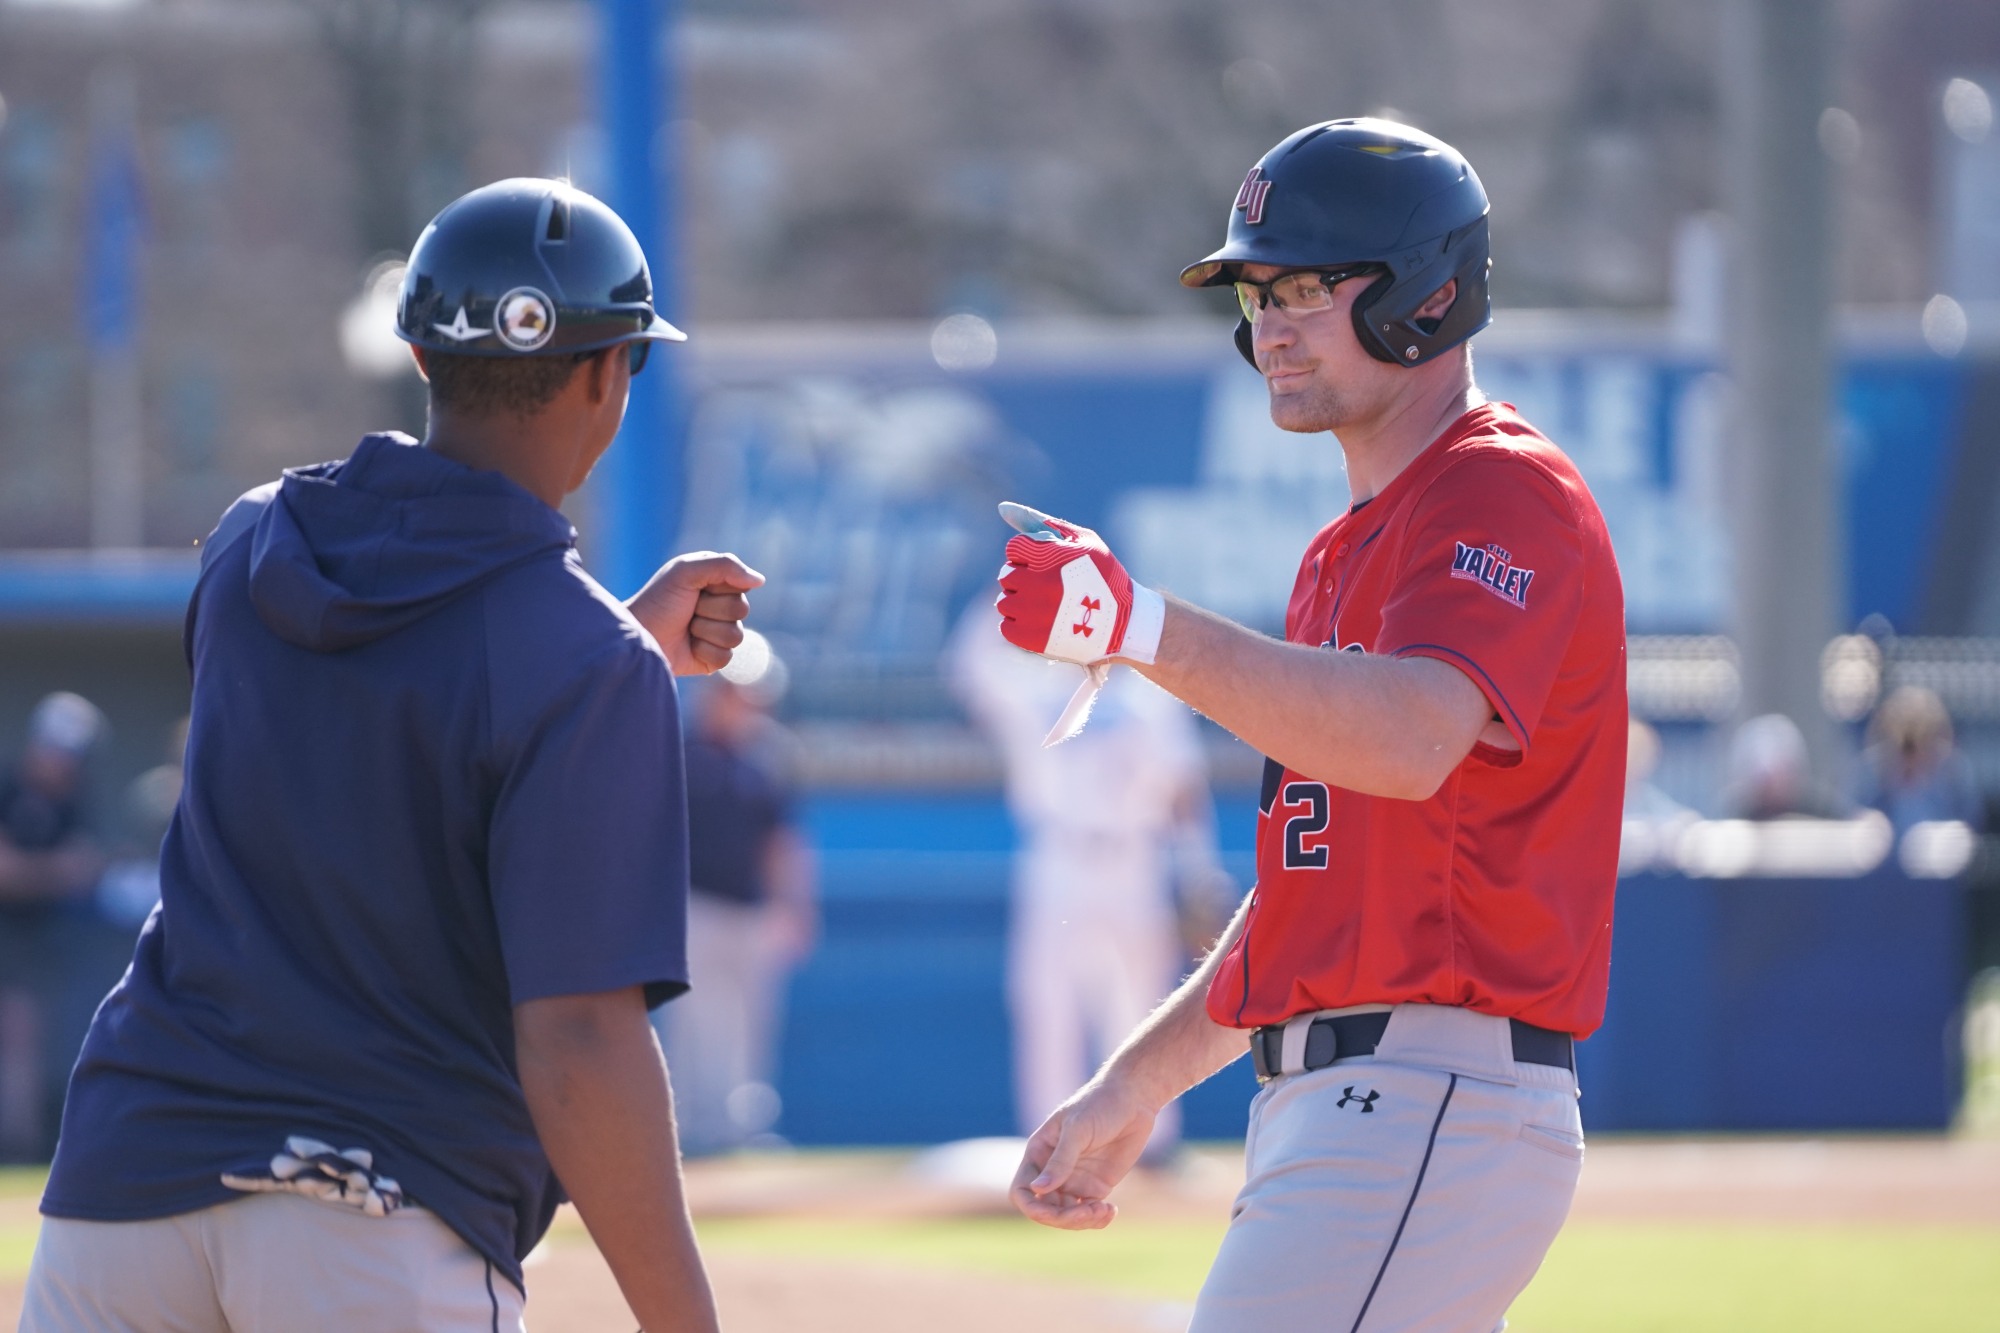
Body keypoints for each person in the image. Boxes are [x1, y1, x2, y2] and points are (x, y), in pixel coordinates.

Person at [23, 179, 760, 1333]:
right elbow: (577, 1039)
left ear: (420, 354)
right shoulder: (577, 661)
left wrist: (611, 652)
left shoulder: (250, 540)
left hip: (121, 1193)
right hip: (367, 1213)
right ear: (609, 375)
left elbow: (370, 713)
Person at [991, 119, 1627, 1331]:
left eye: (1305, 286)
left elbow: (1409, 736)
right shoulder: (1344, 550)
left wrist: (1144, 627)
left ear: (1424, 297)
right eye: (1255, 291)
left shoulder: (1500, 485)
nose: (1266, 325)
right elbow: (1309, 898)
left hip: (1425, 1088)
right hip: (1362, 1101)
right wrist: (1136, 1084)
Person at [949, 604, 1231, 1160]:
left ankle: (1149, 1140)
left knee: (1141, 1002)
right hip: (1058, 854)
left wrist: (1199, 868)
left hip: (1134, 858)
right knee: (1048, 1000)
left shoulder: (1152, 701)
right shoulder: (1035, 688)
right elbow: (968, 665)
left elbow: (1183, 794)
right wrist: (1002, 591)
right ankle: (1049, 1135)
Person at [656, 662, 818, 1156]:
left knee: (751, 1019)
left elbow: (783, 841)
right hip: (693, 905)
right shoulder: (680, 753)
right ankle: (688, 1127)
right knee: (693, 1019)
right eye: (736, 695)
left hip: (751, 911)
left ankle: (742, 1126)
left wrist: (793, 906)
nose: (746, 705)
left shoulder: (765, 760)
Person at [0, 693, 109, 1159]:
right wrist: (51, 871)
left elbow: (87, 868)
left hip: (33, 945)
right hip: (13, 936)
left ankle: (17, 1152)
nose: (65, 765)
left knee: (24, 1041)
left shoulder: (71, 805)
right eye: (60, 751)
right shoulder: (8, 790)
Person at [1853, 686, 1982, 834]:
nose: (1911, 761)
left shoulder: (1954, 774)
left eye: (1922, 746)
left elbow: (1970, 826)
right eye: (1904, 750)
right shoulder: (1870, 774)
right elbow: (1852, 820)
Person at [1720, 713, 1845, 821]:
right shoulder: (1736, 819)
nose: (1772, 786)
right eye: (1764, 780)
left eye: (1780, 773)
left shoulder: (1821, 814)